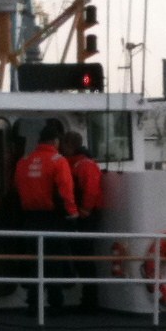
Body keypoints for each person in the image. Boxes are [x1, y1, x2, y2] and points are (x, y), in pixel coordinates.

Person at [12, 118, 77, 310]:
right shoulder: (59, 161)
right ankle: (55, 304)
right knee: (54, 262)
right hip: (53, 219)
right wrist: (72, 216)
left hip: (29, 219)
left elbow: (16, 188)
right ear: (55, 142)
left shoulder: (23, 162)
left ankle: (33, 303)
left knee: (34, 262)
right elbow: (66, 192)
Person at [60, 131, 104, 310]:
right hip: (77, 215)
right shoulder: (74, 163)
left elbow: (91, 189)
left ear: (70, 145)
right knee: (79, 255)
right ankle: (86, 298)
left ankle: (90, 301)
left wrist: (84, 210)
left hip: (86, 216)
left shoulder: (84, 164)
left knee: (85, 257)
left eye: (63, 144)